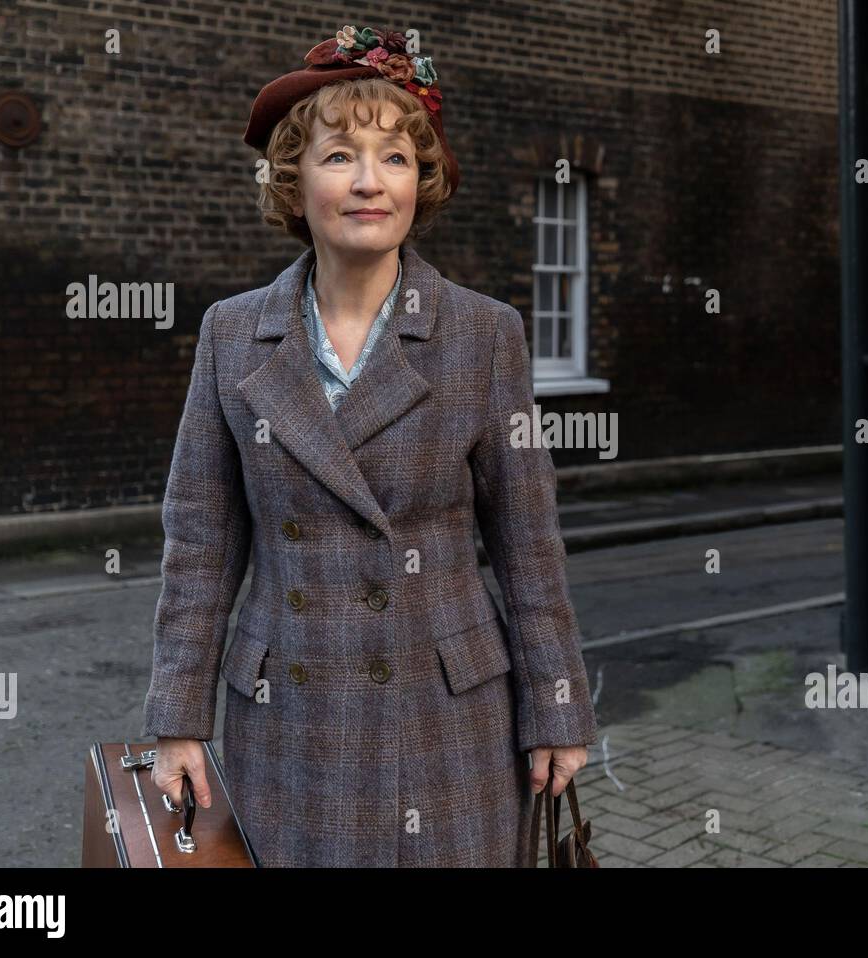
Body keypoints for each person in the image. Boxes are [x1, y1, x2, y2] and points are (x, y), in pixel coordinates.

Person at [141, 23, 598, 867]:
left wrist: (559, 709)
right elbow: (201, 544)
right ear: (293, 181)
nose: (369, 182)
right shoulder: (232, 335)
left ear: (422, 183)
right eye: (338, 155)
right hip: (288, 719)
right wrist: (177, 719)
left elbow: (529, 544)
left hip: (445, 718)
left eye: (395, 158)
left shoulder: (483, 335)